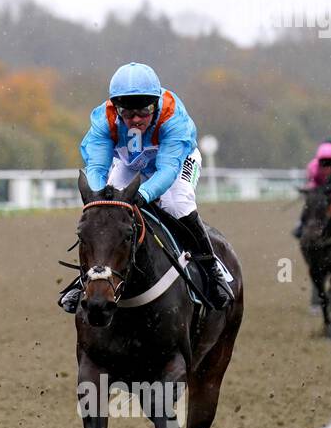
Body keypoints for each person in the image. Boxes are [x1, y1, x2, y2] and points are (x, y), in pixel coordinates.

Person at [59, 61, 233, 312]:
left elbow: (166, 171)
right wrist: (101, 199)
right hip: (131, 162)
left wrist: (143, 195)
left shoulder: (172, 117)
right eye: (127, 114)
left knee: (177, 201)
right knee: (105, 210)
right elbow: (96, 169)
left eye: (144, 111)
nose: (136, 119)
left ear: (156, 103)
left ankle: (211, 268)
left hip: (176, 161)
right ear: (116, 108)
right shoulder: (104, 119)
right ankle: (86, 278)